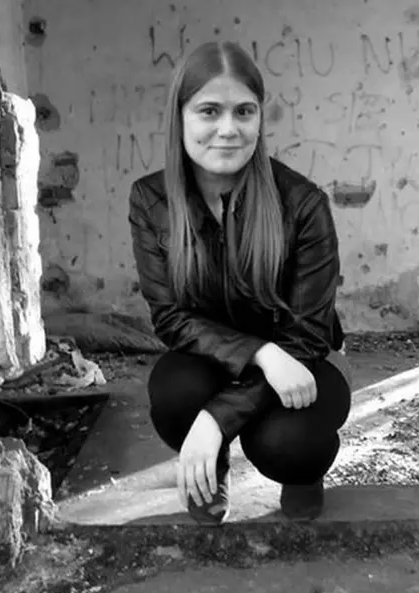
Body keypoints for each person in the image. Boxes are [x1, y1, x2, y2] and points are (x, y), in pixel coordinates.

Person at [128, 41, 352, 526]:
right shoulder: (150, 200)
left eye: (244, 111)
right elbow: (170, 318)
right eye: (209, 110)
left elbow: (308, 336)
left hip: (301, 360)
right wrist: (261, 354)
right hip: (209, 357)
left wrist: (215, 418)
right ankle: (213, 469)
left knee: (292, 443)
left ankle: (300, 474)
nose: (228, 129)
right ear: (180, 117)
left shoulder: (303, 204)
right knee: (175, 395)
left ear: (259, 118)